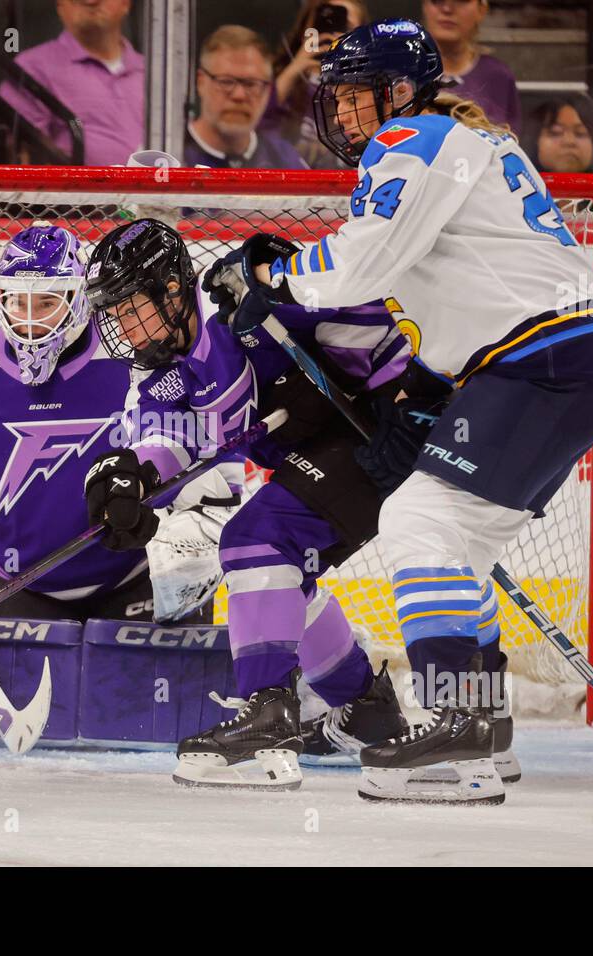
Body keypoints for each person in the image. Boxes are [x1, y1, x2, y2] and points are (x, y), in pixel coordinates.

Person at [221, 18, 593, 803]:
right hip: (563, 357)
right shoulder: (467, 146)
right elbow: (466, 288)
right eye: (335, 101)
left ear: (401, 91)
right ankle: (485, 731)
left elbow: (357, 263)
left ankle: (454, 729)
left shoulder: (416, 137)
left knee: (419, 523)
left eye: (354, 98)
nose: (343, 116)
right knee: (462, 543)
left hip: (540, 358)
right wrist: (424, 395)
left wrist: (279, 277)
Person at [82, 218, 429, 789]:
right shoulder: (170, 365)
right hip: (333, 449)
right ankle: (365, 706)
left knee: (255, 539)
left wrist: (280, 281)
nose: (122, 326)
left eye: (129, 307)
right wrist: (131, 480)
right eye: (113, 314)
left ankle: (268, 710)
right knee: (279, 575)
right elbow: (164, 435)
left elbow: (353, 301)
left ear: (171, 291)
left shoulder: (245, 306)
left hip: (382, 430)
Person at [0, 224, 221, 638]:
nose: (30, 320)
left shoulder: (134, 344)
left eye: (47, 302)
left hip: (138, 576)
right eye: (18, 302)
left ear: (80, 298)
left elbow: (192, 440)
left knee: (153, 705)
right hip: (14, 583)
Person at [1, 0, 145, 166]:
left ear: (126, 3)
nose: (90, 1)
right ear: (59, 5)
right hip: (74, 190)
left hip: (162, 187)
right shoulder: (31, 68)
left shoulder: (158, 74)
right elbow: (22, 156)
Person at [263, 0, 370, 169]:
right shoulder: (272, 73)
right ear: (305, 29)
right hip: (280, 174)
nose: (331, 34)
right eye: (322, 25)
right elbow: (254, 124)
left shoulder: (368, 86)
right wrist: (294, 69)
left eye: (344, 26)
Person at [184, 27, 306, 170]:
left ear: (268, 90)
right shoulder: (169, 152)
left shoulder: (285, 161)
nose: (239, 95)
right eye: (226, 81)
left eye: (251, 84)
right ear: (201, 82)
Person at [522, 94, 593, 213]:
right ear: (534, 141)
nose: (569, 141)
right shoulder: (516, 204)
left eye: (580, 133)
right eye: (556, 132)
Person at [422, 0, 519, 133]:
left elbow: (509, 145)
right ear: (424, 6)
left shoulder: (498, 76)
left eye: (462, 1)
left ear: (482, 9)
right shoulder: (402, 71)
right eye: (437, 0)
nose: (447, 9)